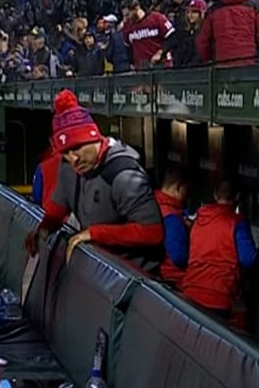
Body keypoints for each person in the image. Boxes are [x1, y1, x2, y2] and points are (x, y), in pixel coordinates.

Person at [25, 91, 164, 273]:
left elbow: (153, 232)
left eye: (77, 148)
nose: (73, 158)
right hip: (99, 269)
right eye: (66, 152)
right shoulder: (68, 166)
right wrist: (43, 229)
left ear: (93, 137)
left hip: (136, 278)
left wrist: (94, 233)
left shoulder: (122, 173)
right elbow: (59, 208)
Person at [179, 180, 258, 320]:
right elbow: (247, 259)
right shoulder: (236, 222)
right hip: (218, 297)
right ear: (238, 197)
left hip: (189, 291)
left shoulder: (199, 217)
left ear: (215, 195)